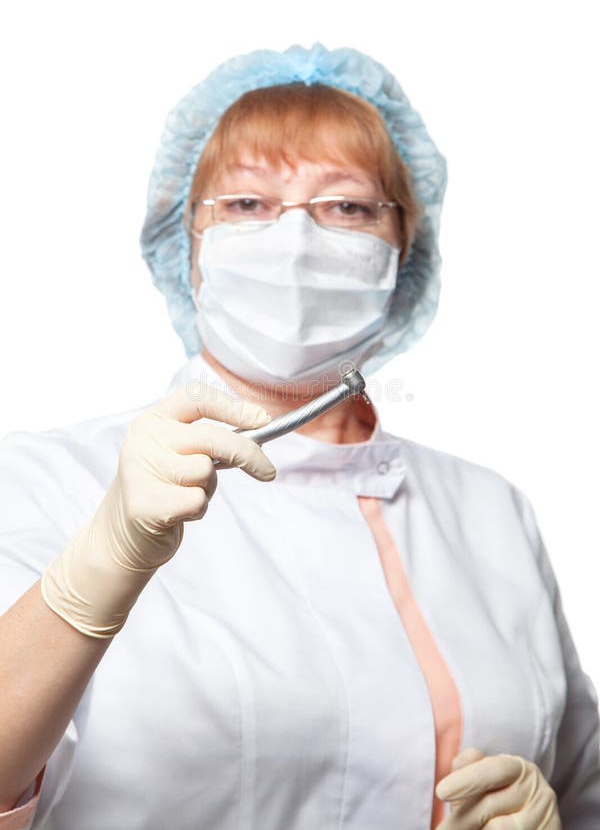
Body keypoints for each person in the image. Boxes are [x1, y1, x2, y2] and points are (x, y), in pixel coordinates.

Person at [0, 43, 598, 830]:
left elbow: (583, 780)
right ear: (189, 245)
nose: (297, 241)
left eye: (348, 206)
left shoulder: (491, 511)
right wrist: (94, 572)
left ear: (405, 250)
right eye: (247, 205)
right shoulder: (46, 481)